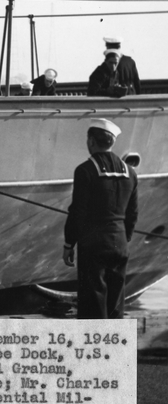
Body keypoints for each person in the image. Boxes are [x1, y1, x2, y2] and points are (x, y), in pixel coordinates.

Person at [63, 118, 138, 318]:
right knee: (116, 305)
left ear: (91, 141)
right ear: (112, 142)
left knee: (92, 304)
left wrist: (69, 243)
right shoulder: (130, 172)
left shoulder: (85, 170)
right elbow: (133, 213)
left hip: (93, 243)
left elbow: (77, 211)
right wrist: (124, 239)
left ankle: (95, 338)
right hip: (120, 243)